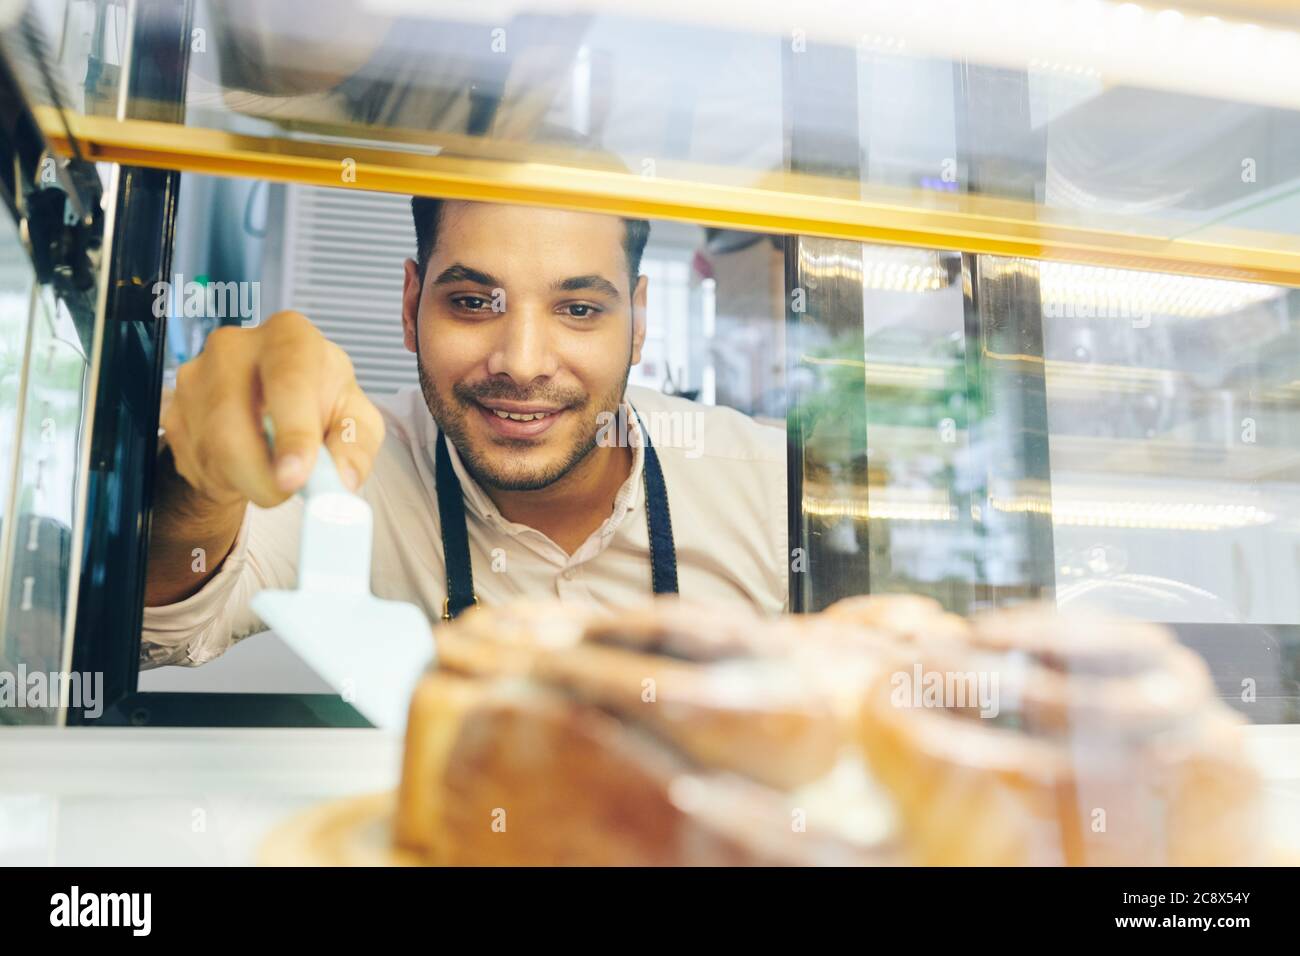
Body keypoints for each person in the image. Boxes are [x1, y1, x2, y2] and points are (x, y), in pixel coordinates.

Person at [141, 199, 787, 667]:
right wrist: (201, 477)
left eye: (579, 310)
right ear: (410, 305)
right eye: (475, 303)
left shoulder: (770, 487)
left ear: (638, 323)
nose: (524, 362)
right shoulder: (347, 469)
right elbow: (163, 622)